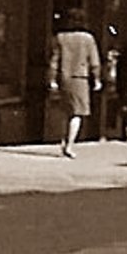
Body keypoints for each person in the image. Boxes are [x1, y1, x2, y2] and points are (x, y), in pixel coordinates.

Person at [49, 9, 101, 157]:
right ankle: (70, 145)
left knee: (66, 111)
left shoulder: (60, 38)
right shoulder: (88, 39)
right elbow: (94, 62)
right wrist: (96, 79)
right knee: (77, 114)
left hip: (64, 78)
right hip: (80, 78)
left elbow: (54, 61)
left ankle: (63, 140)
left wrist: (52, 80)